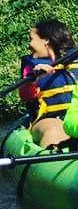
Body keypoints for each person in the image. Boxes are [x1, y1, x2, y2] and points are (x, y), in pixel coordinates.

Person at [24, 20, 77, 148]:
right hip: (48, 119)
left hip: (74, 118)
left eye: (31, 39)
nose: (28, 45)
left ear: (45, 41)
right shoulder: (31, 68)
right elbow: (25, 96)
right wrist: (33, 79)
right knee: (55, 129)